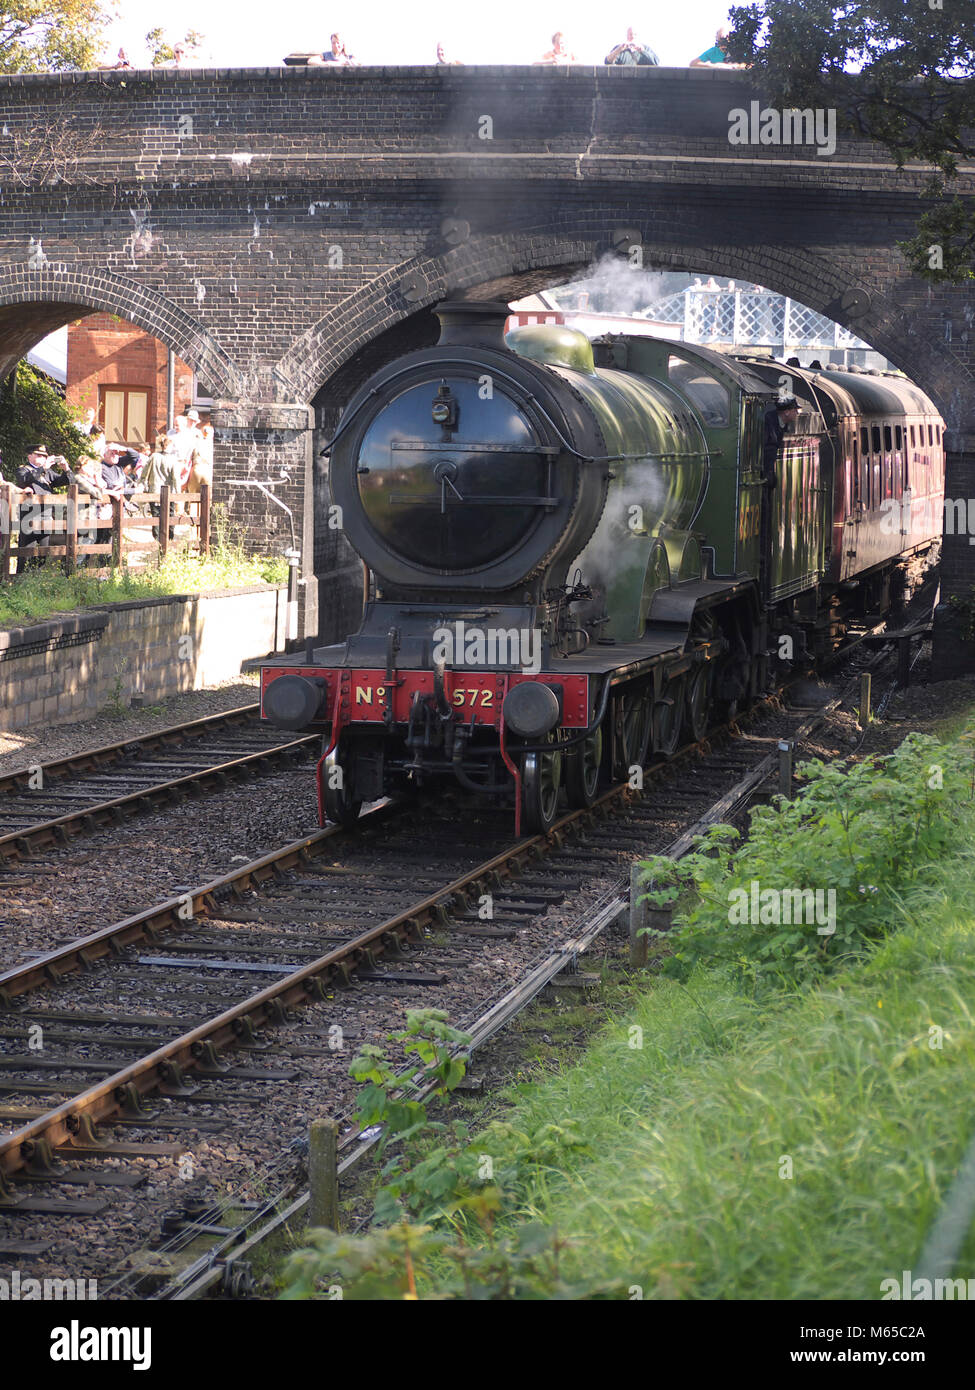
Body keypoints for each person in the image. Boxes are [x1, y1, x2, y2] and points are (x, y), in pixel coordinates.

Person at [14, 446, 69, 572]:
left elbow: (68, 480)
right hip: (29, 517)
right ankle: (20, 581)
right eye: (38, 455)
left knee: (43, 554)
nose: (42, 458)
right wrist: (42, 468)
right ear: (29, 456)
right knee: (26, 553)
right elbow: (24, 480)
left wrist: (66, 468)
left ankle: (35, 579)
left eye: (44, 456)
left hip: (46, 516)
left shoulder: (48, 473)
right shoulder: (23, 470)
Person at [762, 395, 799, 490]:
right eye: (795, 410)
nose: (797, 413)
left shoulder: (782, 424)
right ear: (786, 412)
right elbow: (767, 448)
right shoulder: (768, 424)